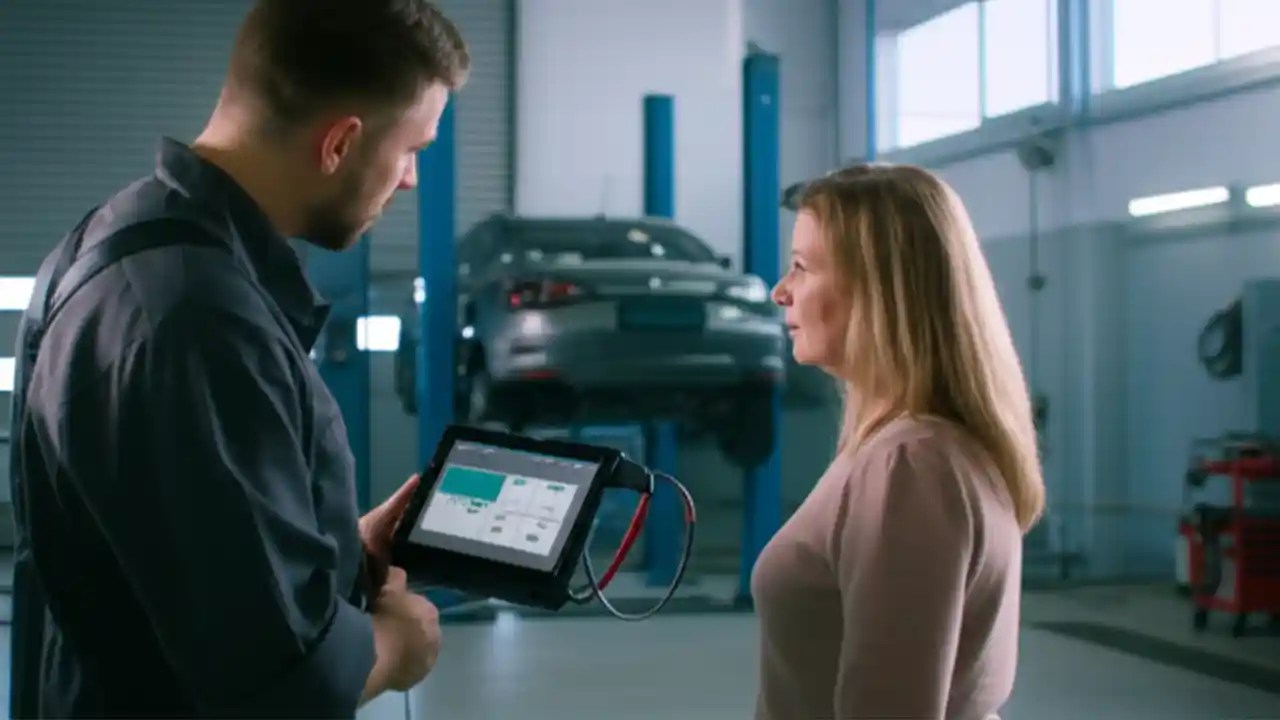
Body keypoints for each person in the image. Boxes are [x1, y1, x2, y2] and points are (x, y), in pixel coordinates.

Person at [7, 1, 470, 716]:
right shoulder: (201, 322)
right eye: (411, 149)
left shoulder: (110, 239)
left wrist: (342, 550)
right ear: (340, 143)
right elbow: (279, 686)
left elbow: (164, 551)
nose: (408, 178)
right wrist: (394, 645)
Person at [752, 163, 1045, 720]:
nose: (780, 291)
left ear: (880, 287)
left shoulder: (910, 464)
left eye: (800, 268)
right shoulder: (911, 447)